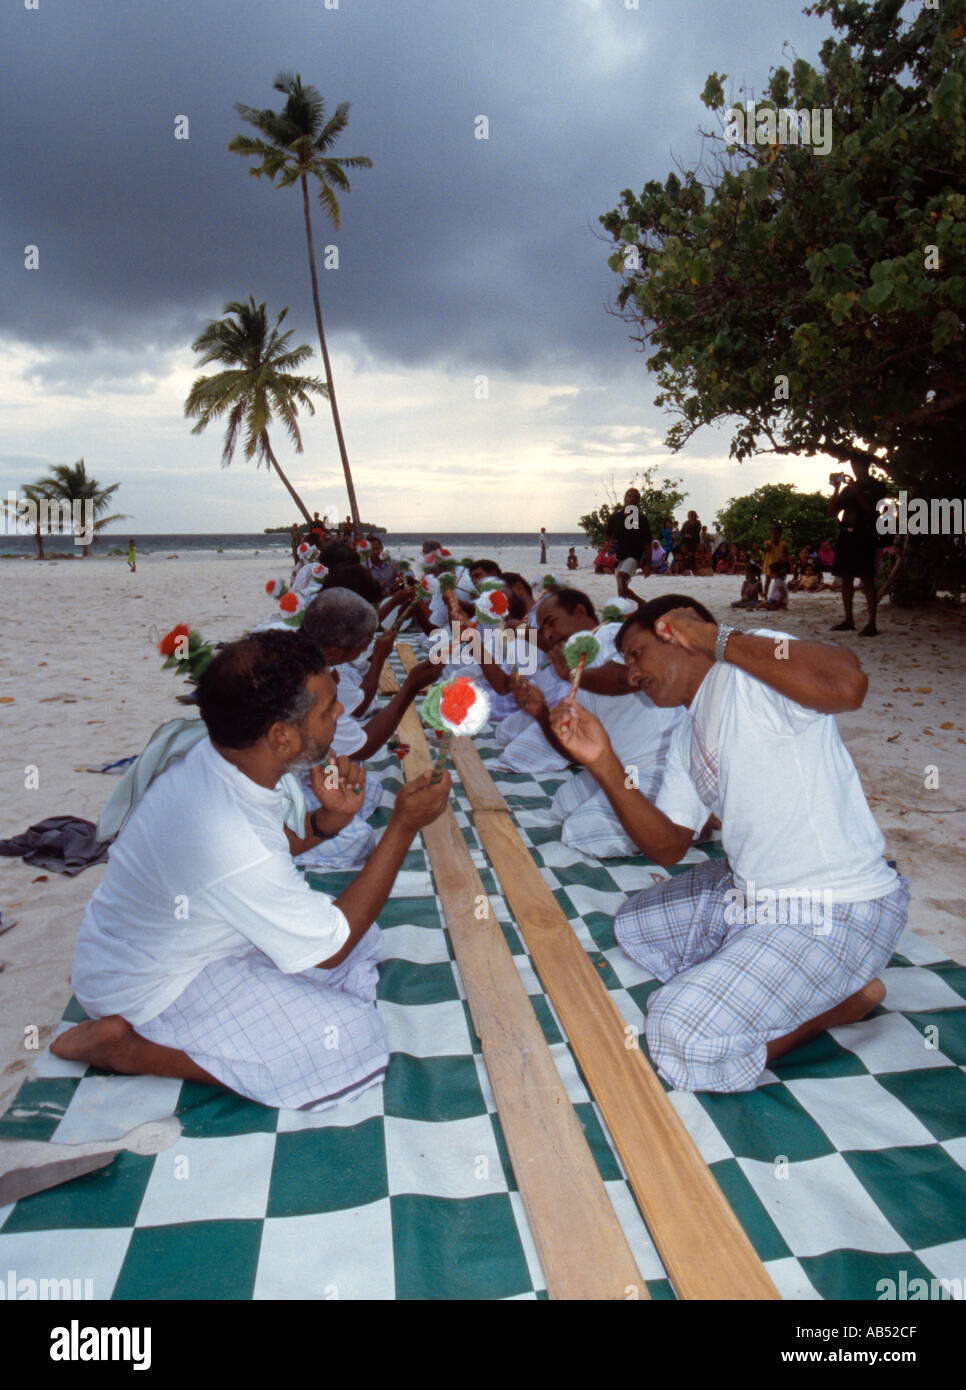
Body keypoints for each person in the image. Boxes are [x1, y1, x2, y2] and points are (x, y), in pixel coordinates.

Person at [52, 630, 452, 1110]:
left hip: (156, 943)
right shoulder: (228, 836)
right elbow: (326, 952)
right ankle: (126, 1050)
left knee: (358, 936)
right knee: (347, 1037)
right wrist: (403, 827)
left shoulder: (224, 759)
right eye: (326, 710)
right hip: (150, 986)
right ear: (282, 736)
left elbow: (272, 840)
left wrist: (327, 822)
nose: (340, 713)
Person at [547, 595, 908, 1093]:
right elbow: (669, 846)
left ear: (676, 632)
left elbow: (849, 685)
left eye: (636, 655)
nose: (631, 676)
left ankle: (840, 1004)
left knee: (679, 1030)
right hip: (755, 896)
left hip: (838, 907)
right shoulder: (685, 734)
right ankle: (758, 973)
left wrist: (715, 638)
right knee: (636, 926)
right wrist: (604, 764)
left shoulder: (756, 672)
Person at [828, 462, 888, 635]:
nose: (856, 469)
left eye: (858, 465)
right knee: (846, 579)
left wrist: (856, 489)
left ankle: (872, 623)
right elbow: (832, 512)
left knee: (867, 580)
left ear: (866, 466)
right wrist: (836, 488)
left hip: (864, 536)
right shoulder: (847, 489)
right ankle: (848, 620)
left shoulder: (877, 487)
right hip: (846, 535)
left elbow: (871, 510)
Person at [605, 488, 652, 603]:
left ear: (638, 501)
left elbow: (647, 544)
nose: (632, 499)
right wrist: (607, 555)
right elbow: (607, 538)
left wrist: (648, 565)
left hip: (633, 556)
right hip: (617, 556)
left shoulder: (642, 520)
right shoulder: (615, 518)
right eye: (630, 496)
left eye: (635, 497)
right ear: (625, 498)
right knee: (622, 587)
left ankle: (622, 610)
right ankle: (641, 602)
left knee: (621, 578)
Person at [761, 525, 790, 600]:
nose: (774, 535)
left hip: (778, 565)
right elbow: (767, 550)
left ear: (780, 535)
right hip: (769, 564)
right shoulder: (767, 543)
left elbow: (786, 553)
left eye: (776, 533)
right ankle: (766, 596)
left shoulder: (782, 544)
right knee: (768, 580)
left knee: (780, 580)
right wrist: (771, 542)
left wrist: (784, 559)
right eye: (772, 533)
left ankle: (780, 595)